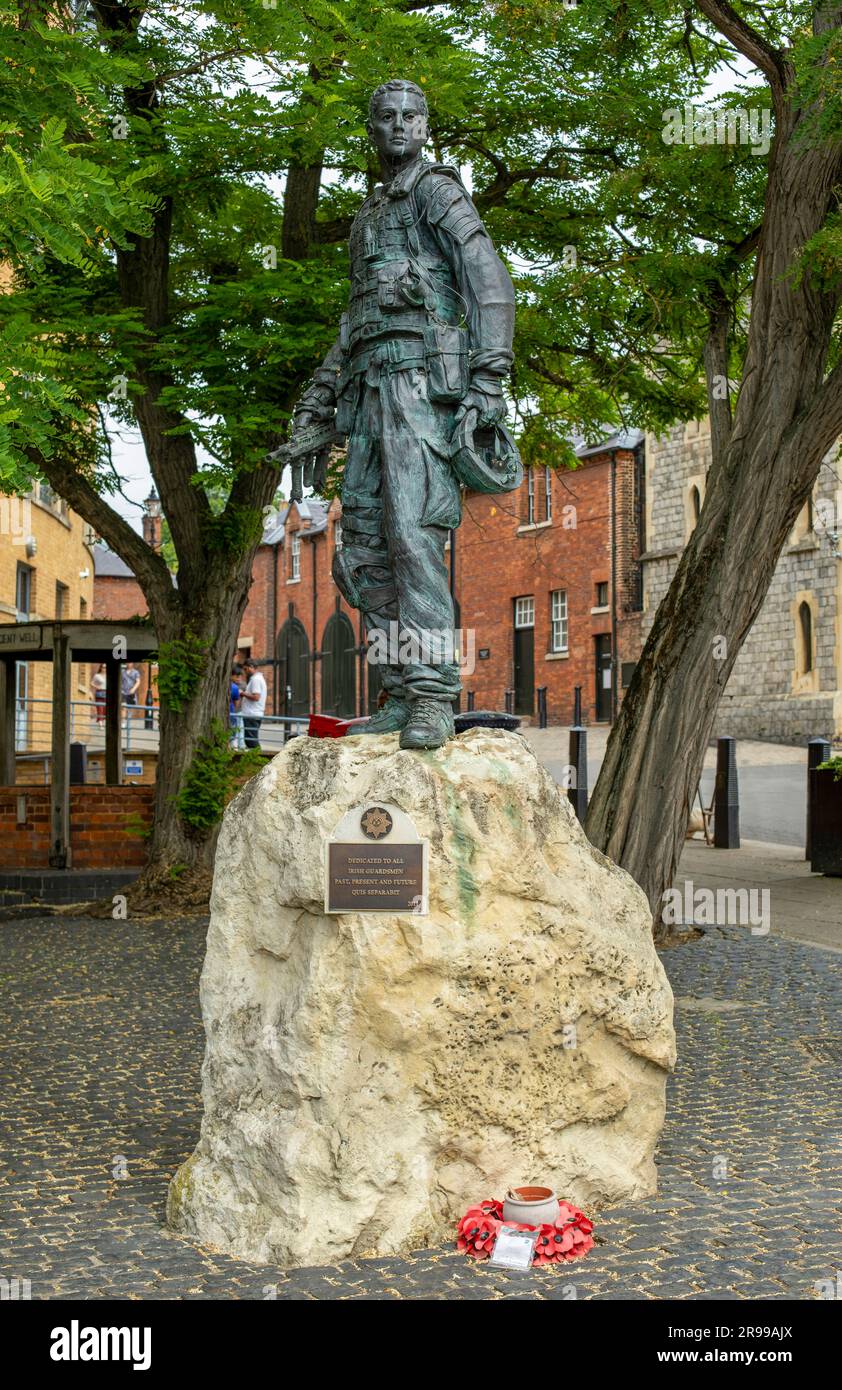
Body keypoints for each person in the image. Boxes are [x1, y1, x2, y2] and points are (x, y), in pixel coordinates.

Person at [286, 78, 515, 751]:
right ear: (370, 127)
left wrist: (489, 381)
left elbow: (489, 284)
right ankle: (399, 688)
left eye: (410, 116)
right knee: (360, 551)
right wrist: (317, 400)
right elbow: (354, 319)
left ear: (425, 126)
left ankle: (435, 696)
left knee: (413, 538)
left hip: (419, 388)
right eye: (384, 117)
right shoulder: (367, 217)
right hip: (366, 395)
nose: (397, 126)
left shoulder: (438, 192)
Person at [240, 658, 267, 749]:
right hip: (254, 713)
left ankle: (258, 758)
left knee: (251, 740)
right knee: (251, 739)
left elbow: (256, 697)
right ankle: (257, 757)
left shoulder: (256, 679)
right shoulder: (257, 678)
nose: (245, 672)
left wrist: (243, 693)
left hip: (252, 713)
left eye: (245, 669)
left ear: (251, 667)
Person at [229, 662, 245, 750]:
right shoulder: (234, 687)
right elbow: (236, 703)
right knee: (233, 731)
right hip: (231, 713)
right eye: (236, 676)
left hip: (230, 713)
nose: (238, 678)